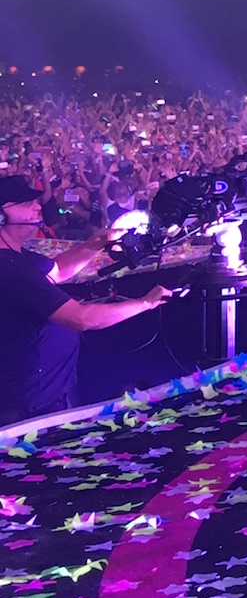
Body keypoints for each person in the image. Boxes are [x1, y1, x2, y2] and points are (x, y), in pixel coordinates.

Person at [0, 176, 170, 426]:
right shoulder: (10, 268)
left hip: (50, 390)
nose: (37, 208)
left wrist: (96, 243)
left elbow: (58, 269)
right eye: (26, 204)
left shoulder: (18, 257)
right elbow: (81, 318)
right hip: (30, 403)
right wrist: (146, 303)